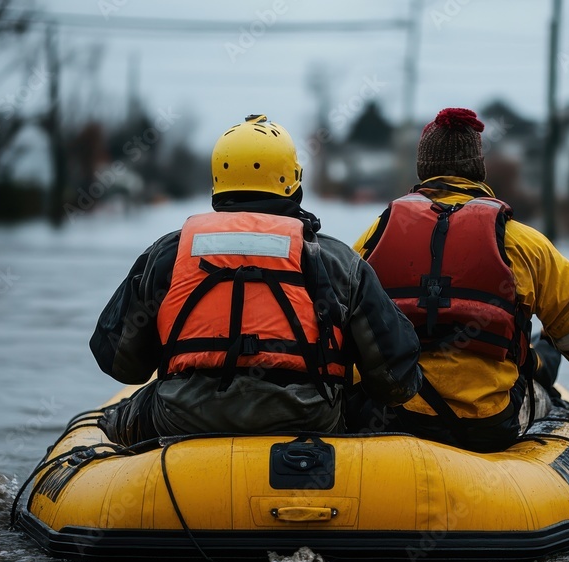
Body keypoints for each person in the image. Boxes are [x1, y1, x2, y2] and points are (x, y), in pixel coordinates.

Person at [91, 114, 422, 447]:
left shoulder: (169, 254)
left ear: (218, 182)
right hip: (309, 420)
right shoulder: (337, 260)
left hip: (182, 417)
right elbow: (396, 381)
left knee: (116, 417)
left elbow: (120, 363)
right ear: (292, 180)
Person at [352, 107, 569, 452]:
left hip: (394, 417)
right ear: (478, 168)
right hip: (487, 425)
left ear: (423, 169)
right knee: (545, 377)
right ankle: (540, 358)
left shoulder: (375, 236)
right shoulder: (525, 243)